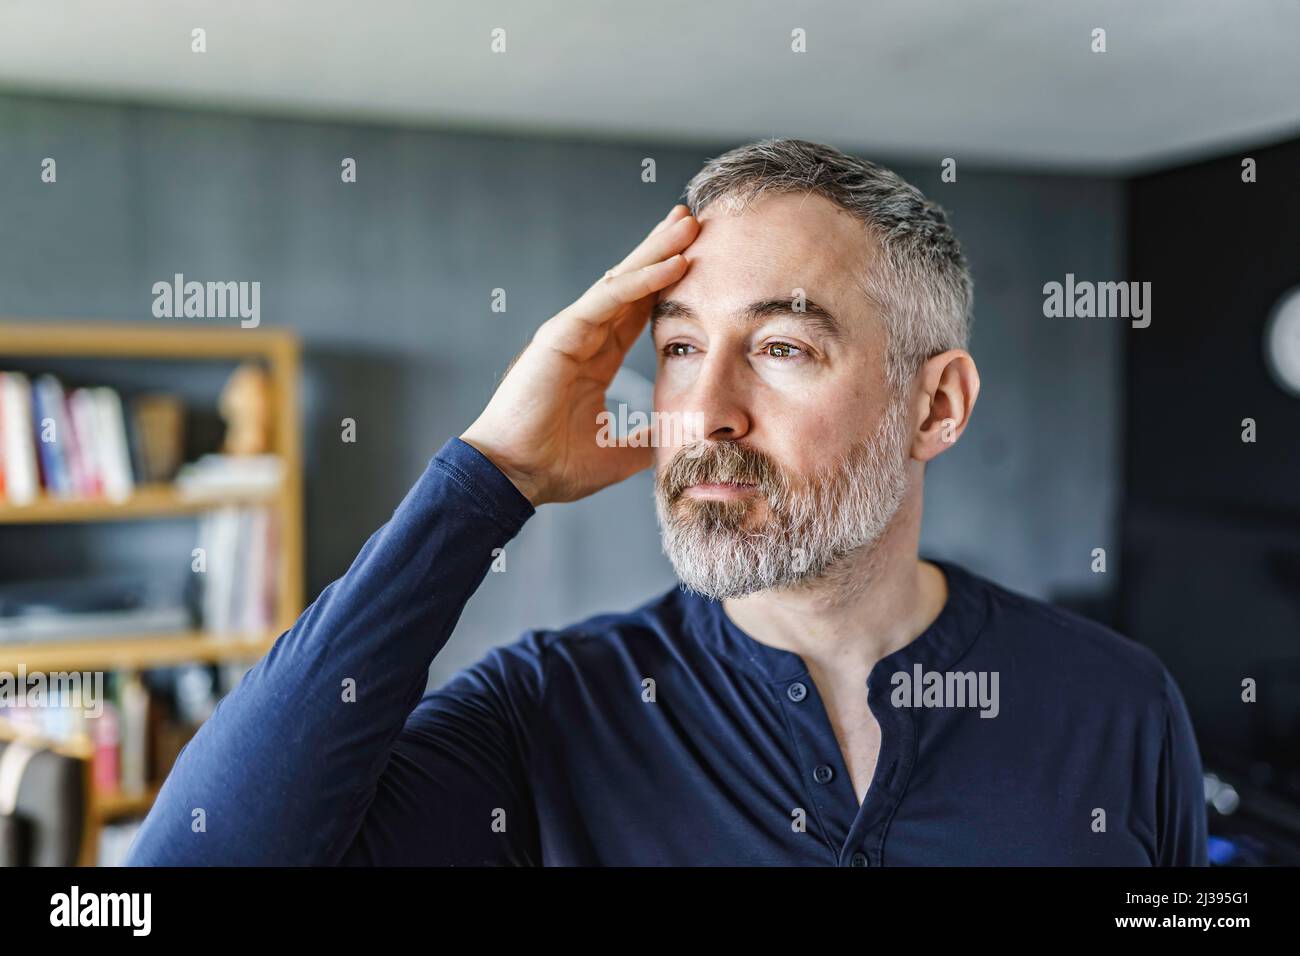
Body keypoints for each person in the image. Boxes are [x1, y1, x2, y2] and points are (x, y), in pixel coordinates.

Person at [126, 138, 1207, 866]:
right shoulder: (547, 714)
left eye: (782, 347)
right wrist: (486, 477)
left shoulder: (1116, 705)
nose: (708, 409)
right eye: (681, 347)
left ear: (935, 405)